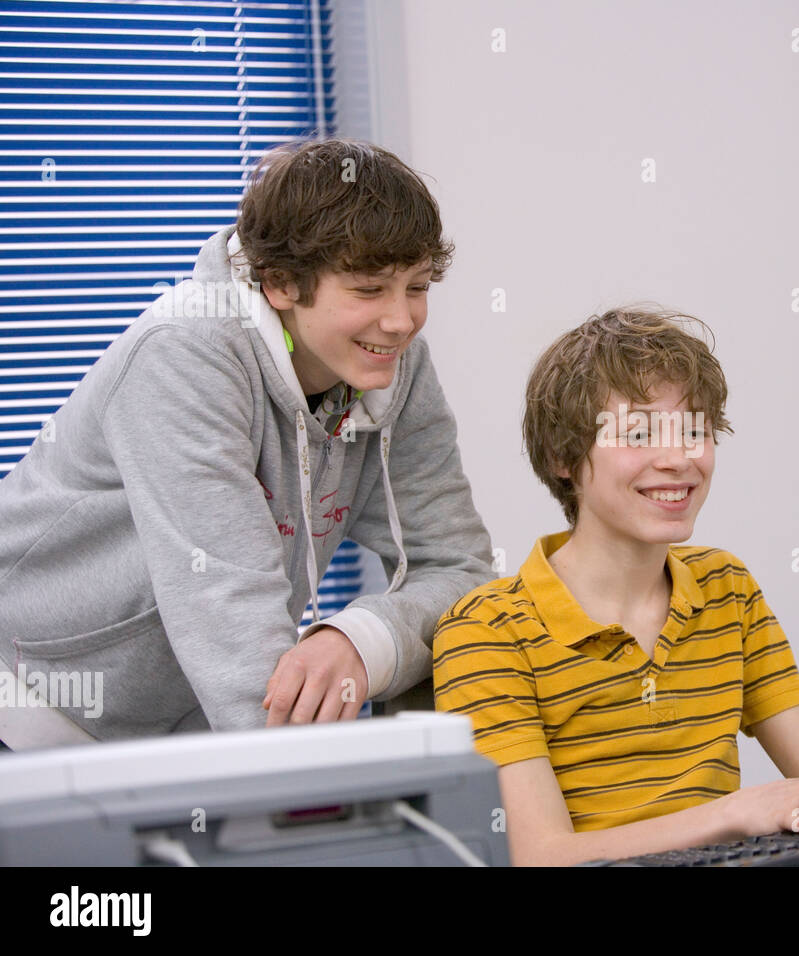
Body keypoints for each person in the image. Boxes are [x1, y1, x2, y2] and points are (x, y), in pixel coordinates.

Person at [0, 138, 494, 749]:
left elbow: (463, 571)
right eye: (369, 290)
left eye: (417, 287)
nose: (401, 321)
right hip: (25, 706)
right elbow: (228, 603)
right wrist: (307, 799)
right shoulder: (183, 353)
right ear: (280, 281)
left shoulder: (394, 363)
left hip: (179, 735)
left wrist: (363, 639)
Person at [431, 307, 799, 866]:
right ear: (562, 456)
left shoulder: (725, 586)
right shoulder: (487, 629)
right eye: (636, 433)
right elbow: (540, 855)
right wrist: (732, 815)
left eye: (694, 431)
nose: (677, 460)